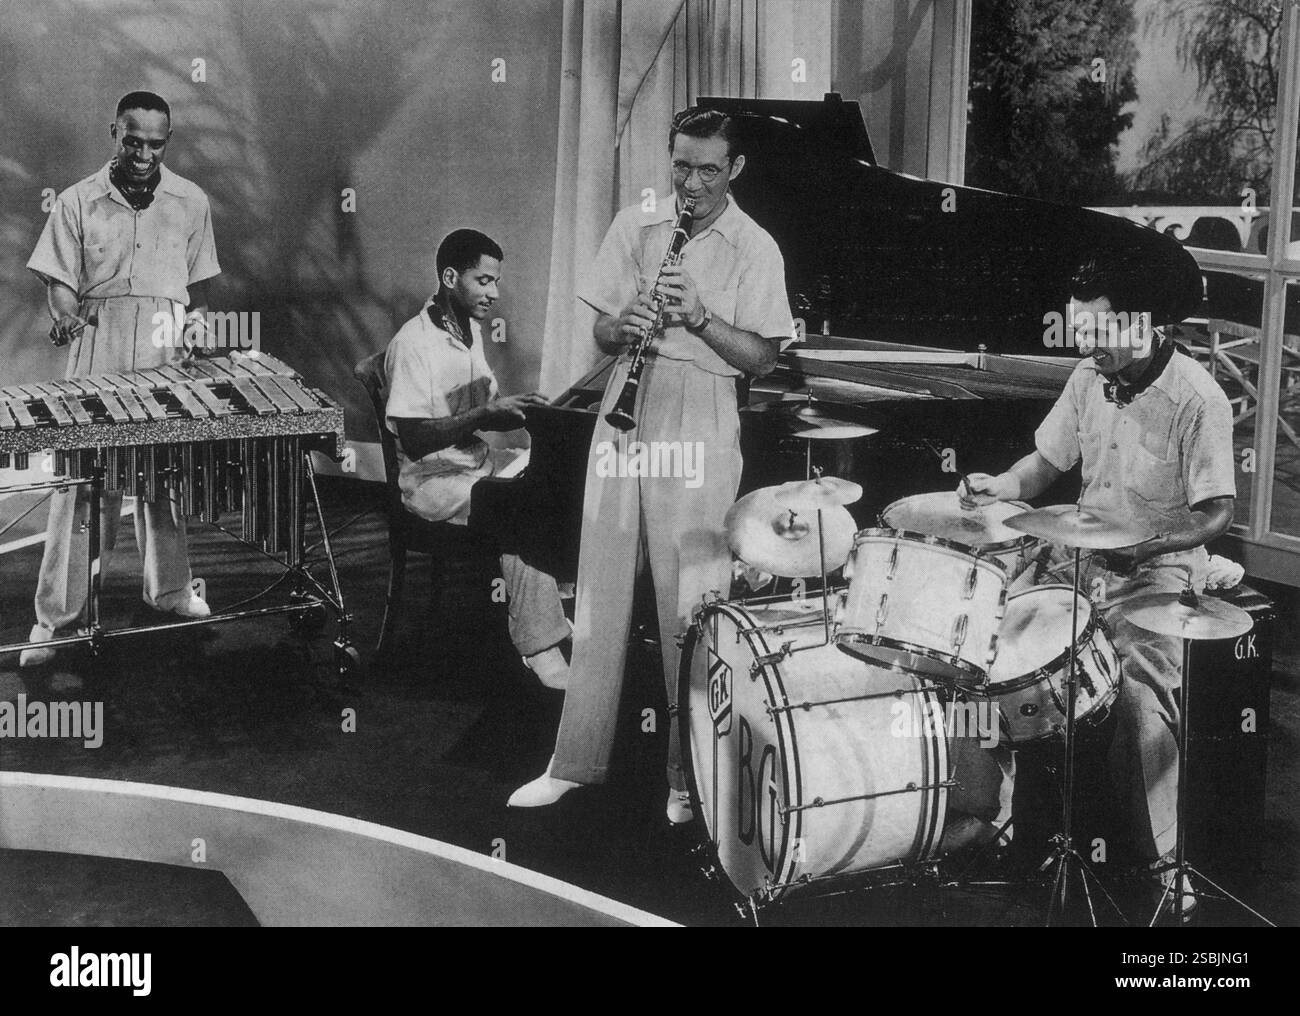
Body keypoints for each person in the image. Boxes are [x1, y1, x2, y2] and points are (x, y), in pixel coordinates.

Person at [510, 107, 794, 820]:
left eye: (706, 169)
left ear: (736, 170)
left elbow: (762, 355)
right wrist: (624, 322)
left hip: (701, 409)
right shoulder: (636, 225)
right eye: (680, 167)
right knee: (600, 589)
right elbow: (602, 326)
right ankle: (574, 760)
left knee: (689, 601)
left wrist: (698, 317)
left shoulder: (755, 247)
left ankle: (685, 775)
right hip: (625, 402)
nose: (690, 184)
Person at [960, 256, 1236, 919]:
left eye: (1101, 332)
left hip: (1155, 570)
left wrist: (1157, 543)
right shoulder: (1089, 376)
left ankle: (1163, 866)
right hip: (1077, 559)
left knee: (1137, 702)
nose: (1088, 346)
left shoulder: (1198, 398)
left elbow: (1215, 512)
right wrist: (1003, 484)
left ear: (1150, 322)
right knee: (985, 652)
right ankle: (984, 819)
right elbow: (1045, 463)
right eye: (1081, 330)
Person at [21, 90, 219, 667]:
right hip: (96, 342)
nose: (142, 154)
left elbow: (199, 282)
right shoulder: (78, 200)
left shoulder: (191, 201)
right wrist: (64, 314)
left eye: (155, 144)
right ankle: (56, 620)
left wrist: (199, 328)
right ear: (115, 132)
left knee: (165, 478)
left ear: (168, 142)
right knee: (81, 486)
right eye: (132, 141)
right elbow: (58, 277)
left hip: (165, 345)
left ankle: (172, 590)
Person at [383, 228, 571, 687]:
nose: (493, 293)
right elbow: (415, 438)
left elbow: (482, 409)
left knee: (554, 478)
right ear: (451, 277)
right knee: (517, 510)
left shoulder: (467, 330)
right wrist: (488, 412)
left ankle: (556, 601)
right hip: (432, 481)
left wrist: (528, 413)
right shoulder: (414, 345)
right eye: (483, 281)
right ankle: (539, 646)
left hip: (475, 461)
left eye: (496, 282)